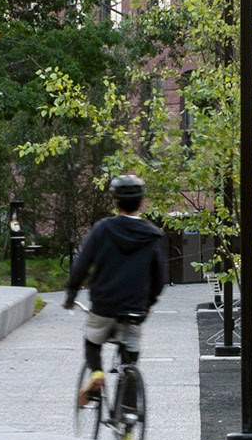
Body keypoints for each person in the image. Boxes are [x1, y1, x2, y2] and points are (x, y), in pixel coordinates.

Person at [63, 175, 182, 424]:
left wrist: (72, 292)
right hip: (135, 309)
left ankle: (96, 373)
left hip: (105, 305)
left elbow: (83, 263)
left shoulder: (103, 229)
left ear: (115, 201)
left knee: (92, 341)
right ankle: (127, 420)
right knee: (130, 356)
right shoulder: (153, 234)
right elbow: (160, 276)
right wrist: (148, 304)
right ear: (141, 203)